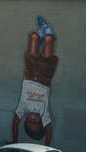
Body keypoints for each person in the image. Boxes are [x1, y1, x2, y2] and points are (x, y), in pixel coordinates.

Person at [12, 16, 58, 144]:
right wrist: (46, 148)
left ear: (25, 120)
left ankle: (40, 36)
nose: (34, 118)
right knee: (50, 38)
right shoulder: (45, 115)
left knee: (33, 37)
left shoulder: (22, 109)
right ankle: (45, 30)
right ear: (41, 122)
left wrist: (14, 141)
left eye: (31, 121)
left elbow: (15, 124)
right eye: (36, 122)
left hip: (30, 74)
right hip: (44, 76)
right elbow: (49, 133)